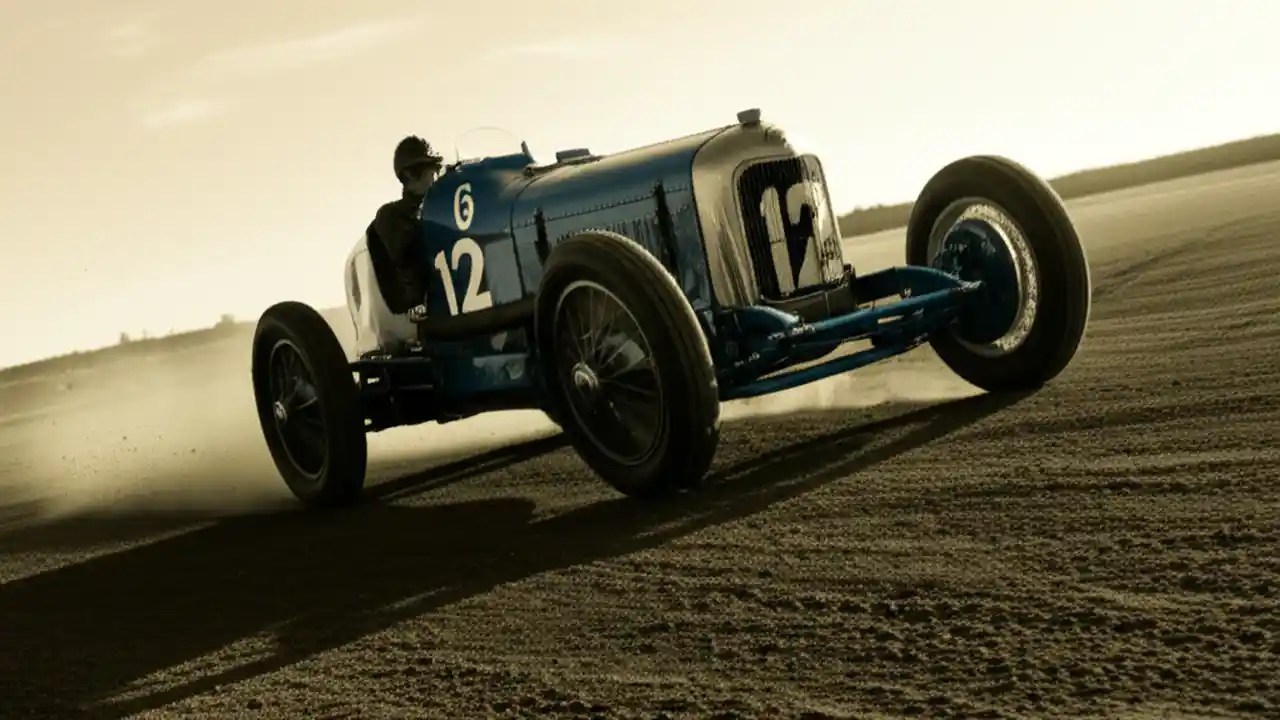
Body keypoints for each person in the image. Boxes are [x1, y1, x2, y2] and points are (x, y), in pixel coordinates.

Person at [370, 135, 443, 321]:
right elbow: (404, 253)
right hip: (429, 314)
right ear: (411, 174)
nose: (435, 175)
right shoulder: (391, 215)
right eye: (430, 169)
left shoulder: (445, 206)